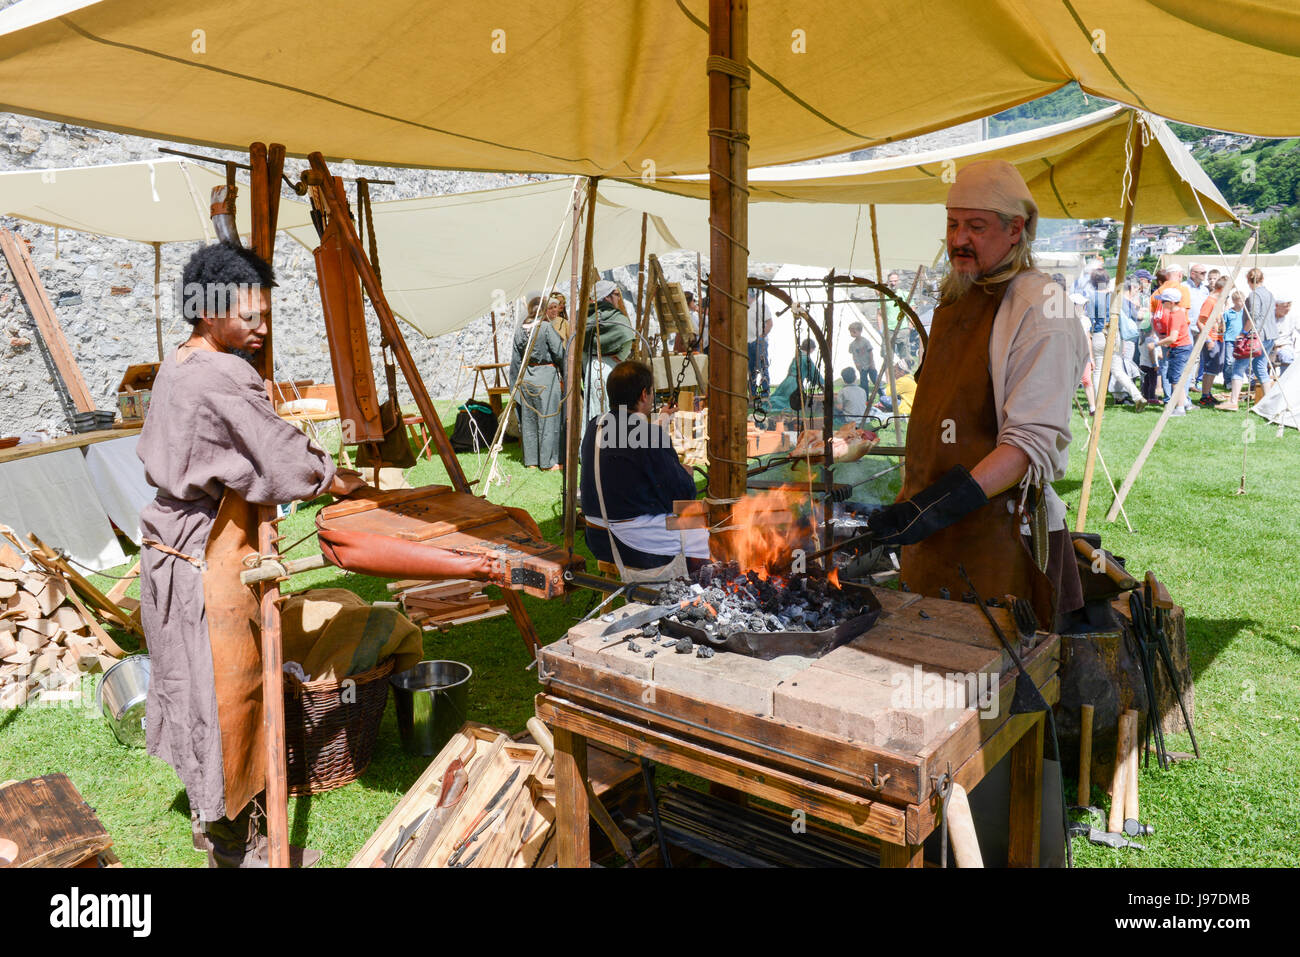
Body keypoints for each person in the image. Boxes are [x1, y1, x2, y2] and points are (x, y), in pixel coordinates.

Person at [137, 243, 365, 867]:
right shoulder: (222, 373)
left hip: (171, 545)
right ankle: (237, 846)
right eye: (251, 316)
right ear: (209, 313)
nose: (263, 328)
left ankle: (215, 820)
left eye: (267, 314)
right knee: (226, 696)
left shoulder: (180, 361)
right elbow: (282, 458)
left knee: (192, 687)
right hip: (203, 554)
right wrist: (334, 477)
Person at [850, 160, 1086, 631]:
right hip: (934, 544)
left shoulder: (1041, 308)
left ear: (1016, 229)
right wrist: (909, 502)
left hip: (996, 543)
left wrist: (936, 507)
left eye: (976, 227)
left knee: (994, 692)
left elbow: (1026, 447)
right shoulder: (956, 298)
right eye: (953, 224)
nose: (958, 239)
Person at [580, 360, 709, 570]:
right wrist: (686, 474)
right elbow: (682, 495)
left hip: (597, 537)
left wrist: (661, 422)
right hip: (634, 543)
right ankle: (697, 592)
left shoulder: (596, 424)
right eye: (651, 392)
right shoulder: (649, 436)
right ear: (643, 395)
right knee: (704, 532)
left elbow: (627, 439)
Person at [510, 294, 566, 470]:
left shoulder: (520, 330)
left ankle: (532, 462)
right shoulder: (546, 328)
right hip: (546, 378)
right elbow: (559, 353)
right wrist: (566, 375)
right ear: (542, 310)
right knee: (548, 419)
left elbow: (516, 362)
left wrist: (515, 387)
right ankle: (548, 463)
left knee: (530, 419)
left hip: (527, 378)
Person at [1085, 267, 1145, 410]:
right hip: (1114, 334)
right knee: (1118, 370)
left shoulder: (1091, 297)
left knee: (1099, 370)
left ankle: (1099, 404)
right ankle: (1137, 396)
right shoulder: (1115, 296)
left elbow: (1091, 319)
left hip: (1099, 334)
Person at [582, 279, 636, 421]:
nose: (619, 298)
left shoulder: (586, 317)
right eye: (616, 294)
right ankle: (614, 439)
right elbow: (627, 341)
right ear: (607, 297)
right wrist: (620, 357)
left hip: (592, 368)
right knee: (614, 405)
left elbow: (582, 347)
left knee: (594, 406)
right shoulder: (617, 317)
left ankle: (594, 439)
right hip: (612, 367)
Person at [1152, 287, 1193, 415]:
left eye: (1163, 301)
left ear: (1171, 303)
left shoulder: (1175, 316)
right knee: (1174, 377)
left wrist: (1156, 344)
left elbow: (1173, 337)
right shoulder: (1177, 313)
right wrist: (1170, 348)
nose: (1161, 303)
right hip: (1179, 348)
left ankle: (1180, 408)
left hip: (1180, 348)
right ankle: (1185, 401)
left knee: (1175, 379)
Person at [1195, 276, 1228, 406]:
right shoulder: (1210, 301)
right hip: (1211, 338)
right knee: (1210, 367)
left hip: (1218, 337)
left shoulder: (1218, 301)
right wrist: (1208, 339)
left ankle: (1208, 394)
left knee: (1215, 367)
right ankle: (1205, 396)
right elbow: (1200, 322)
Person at [770, 338, 823, 412]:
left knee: (781, 398)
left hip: (787, 381)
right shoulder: (806, 358)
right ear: (811, 348)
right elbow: (814, 373)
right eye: (813, 349)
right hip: (795, 383)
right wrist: (823, 384)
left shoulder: (797, 357)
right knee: (790, 403)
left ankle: (769, 404)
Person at [746, 287, 772, 402]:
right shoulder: (744, 307)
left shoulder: (761, 305)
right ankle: (753, 394)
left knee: (762, 367)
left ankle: (765, 394)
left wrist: (761, 337)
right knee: (751, 369)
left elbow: (769, 323)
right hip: (747, 342)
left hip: (759, 341)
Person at [847, 320, 878, 390]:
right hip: (862, 366)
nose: (852, 334)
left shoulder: (865, 341)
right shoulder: (852, 345)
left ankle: (882, 394)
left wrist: (871, 363)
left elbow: (870, 352)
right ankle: (865, 397)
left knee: (875, 380)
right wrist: (856, 364)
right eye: (851, 332)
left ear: (860, 331)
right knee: (863, 383)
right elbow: (854, 355)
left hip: (869, 364)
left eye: (854, 332)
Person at [1271, 291, 1295, 376]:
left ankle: (1284, 382)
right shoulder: (1269, 317)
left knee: (1287, 356)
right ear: (1277, 306)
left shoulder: (1291, 317)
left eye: (1289, 306)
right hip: (1269, 347)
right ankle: (1261, 386)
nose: (1287, 309)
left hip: (1285, 346)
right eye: (1285, 306)